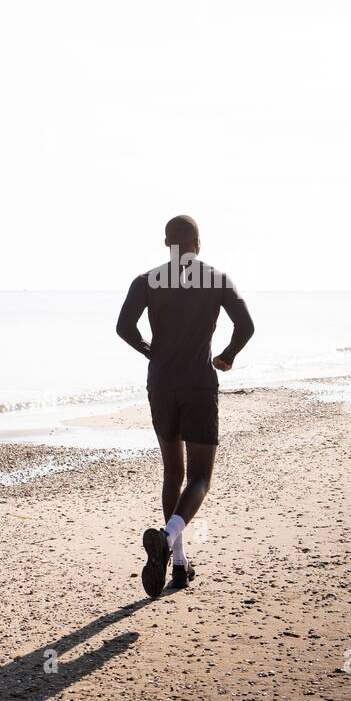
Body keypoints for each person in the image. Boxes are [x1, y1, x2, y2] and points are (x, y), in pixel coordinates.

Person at [115, 214, 255, 597]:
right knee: (200, 478)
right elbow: (245, 325)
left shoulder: (145, 281)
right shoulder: (216, 279)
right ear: (198, 244)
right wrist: (226, 357)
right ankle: (168, 537)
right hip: (198, 384)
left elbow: (124, 327)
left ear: (166, 244)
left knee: (172, 474)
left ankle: (178, 563)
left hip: (161, 384)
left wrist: (152, 353)